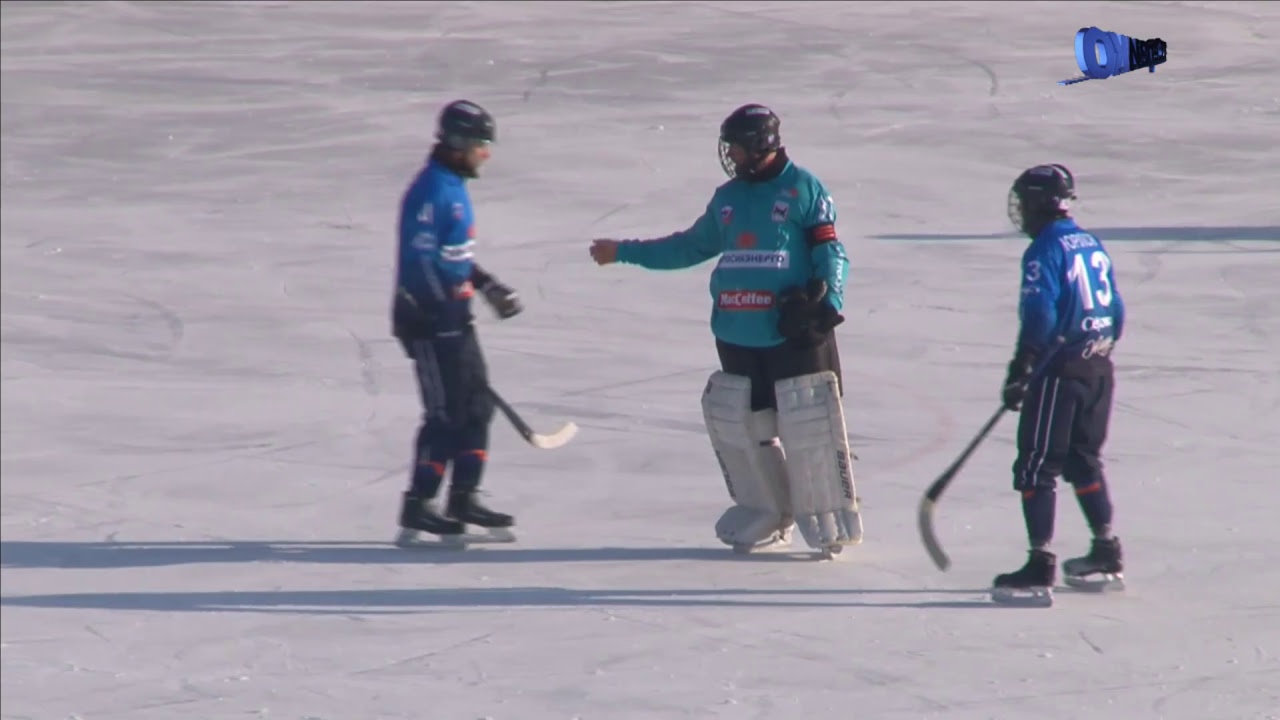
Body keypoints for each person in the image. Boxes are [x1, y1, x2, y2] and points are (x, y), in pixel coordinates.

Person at [588, 104, 861, 558]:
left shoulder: (802, 189)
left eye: (735, 145)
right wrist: (624, 251)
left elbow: (831, 252)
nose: (729, 154)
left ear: (759, 145)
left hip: (791, 333)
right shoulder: (727, 199)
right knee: (742, 425)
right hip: (736, 330)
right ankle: (770, 511)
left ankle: (827, 511)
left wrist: (829, 303)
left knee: (806, 423)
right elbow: (690, 246)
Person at [391, 99, 523, 546]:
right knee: (445, 414)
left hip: (453, 316)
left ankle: (463, 497)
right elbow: (420, 263)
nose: (486, 154)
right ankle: (419, 502)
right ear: (459, 143)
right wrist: (439, 313)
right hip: (427, 320)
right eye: (481, 145)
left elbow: (453, 258)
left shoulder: (451, 185)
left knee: (476, 406)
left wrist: (486, 286)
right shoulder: (431, 192)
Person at [993, 163, 1127, 603]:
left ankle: (1040, 561)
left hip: (1061, 371)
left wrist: (1023, 366)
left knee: (1036, 465)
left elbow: (1040, 313)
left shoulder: (1044, 250)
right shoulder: (1090, 242)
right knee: (1083, 460)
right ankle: (1106, 548)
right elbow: (1117, 310)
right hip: (1099, 367)